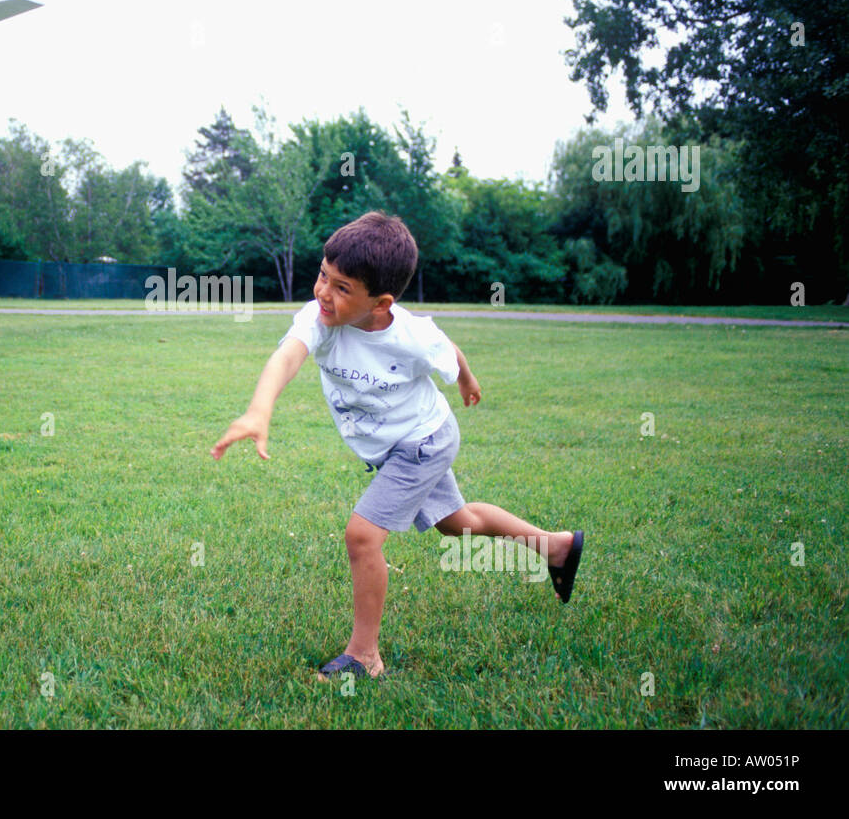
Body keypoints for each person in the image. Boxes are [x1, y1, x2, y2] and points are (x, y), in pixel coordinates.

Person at [210, 211, 584, 680]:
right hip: (401, 445)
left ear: (381, 302)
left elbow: (448, 350)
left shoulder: (410, 335)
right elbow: (287, 356)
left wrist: (466, 378)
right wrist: (258, 411)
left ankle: (365, 655)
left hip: (423, 442)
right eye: (323, 276)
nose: (324, 293)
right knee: (458, 524)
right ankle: (557, 548)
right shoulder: (319, 319)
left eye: (343, 287)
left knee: (362, 536)